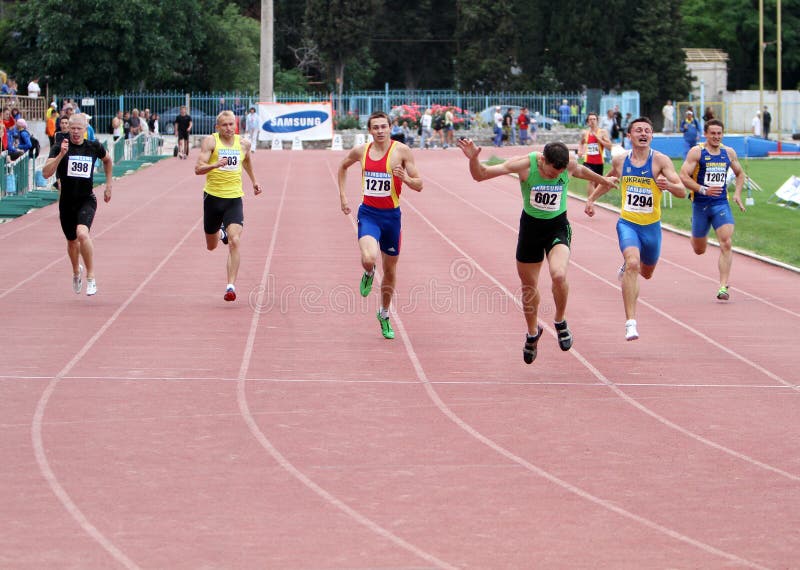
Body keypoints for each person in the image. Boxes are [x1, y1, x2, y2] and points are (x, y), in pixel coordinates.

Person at [458, 138, 618, 363]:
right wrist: (474, 159)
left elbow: (581, 170)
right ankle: (533, 333)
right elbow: (480, 175)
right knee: (528, 287)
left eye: (558, 175)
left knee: (559, 274)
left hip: (557, 227)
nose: (554, 177)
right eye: (551, 173)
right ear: (543, 160)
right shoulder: (524, 165)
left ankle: (560, 321)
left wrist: (603, 180)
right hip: (531, 230)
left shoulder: (568, 165)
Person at [584, 117, 686, 341]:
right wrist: (591, 199)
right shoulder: (621, 161)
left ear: (652, 136)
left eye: (647, 131)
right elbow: (608, 181)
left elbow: (682, 191)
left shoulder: (660, 161)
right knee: (632, 264)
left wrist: (668, 186)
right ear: (629, 136)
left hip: (651, 227)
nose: (643, 134)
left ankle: (631, 264)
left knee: (646, 273)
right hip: (628, 223)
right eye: (638, 130)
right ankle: (630, 322)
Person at [337, 111, 423, 339]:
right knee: (369, 257)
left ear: (390, 127)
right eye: (375, 127)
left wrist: (405, 178)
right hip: (369, 214)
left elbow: (419, 184)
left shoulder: (402, 151)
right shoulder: (361, 151)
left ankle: (384, 313)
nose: (380, 131)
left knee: (391, 271)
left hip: (392, 218)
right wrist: (343, 196)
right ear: (370, 130)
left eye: (384, 126)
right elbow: (343, 167)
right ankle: (369, 271)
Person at [41, 114, 113, 297]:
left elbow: (107, 160)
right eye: (72, 128)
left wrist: (108, 185)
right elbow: (46, 173)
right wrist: (61, 155)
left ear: (85, 129)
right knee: (72, 242)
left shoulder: (93, 146)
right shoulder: (60, 146)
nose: (75, 132)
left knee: (82, 233)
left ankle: (91, 276)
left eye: (78, 128)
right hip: (66, 202)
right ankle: (76, 272)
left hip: (86, 199)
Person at [194, 110, 262, 302]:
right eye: (224, 125)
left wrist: (254, 181)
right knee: (211, 246)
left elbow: (247, 161)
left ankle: (230, 286)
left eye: (231, 124)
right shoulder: (211, 142)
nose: (229, 128)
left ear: (236, 125)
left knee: (235, 240)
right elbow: (198, 169)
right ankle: (221, 233)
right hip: (213, 199)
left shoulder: (244, 144)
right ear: (217, 127)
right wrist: (214, 165)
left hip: (234, 199)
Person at [679, 119, 746, 300]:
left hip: (720, 204)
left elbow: (740, 174)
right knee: (699, 249)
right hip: (700, 204)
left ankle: (723, 286)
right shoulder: (697, 152)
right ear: (706, 134)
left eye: (719, 133)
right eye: (713, 133)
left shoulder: (728, 153)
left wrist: (737, 194)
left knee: (726, 242)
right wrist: (702, 189)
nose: (716, 137)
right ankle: (696, 228)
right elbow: (683, 175)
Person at [578, 112, 614, 198]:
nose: (592, 121)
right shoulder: (585, 133)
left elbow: (609, 147)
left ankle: (593, 199)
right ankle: (590, 201)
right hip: (588, 161)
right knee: (591, 180)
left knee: (597, 183)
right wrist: (580, 151)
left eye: (594, 119)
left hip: (598, 162)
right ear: (587, 122)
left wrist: (599, 139)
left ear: (597, 121)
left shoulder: (602, 132)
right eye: (590, 119)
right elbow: (581, 142)